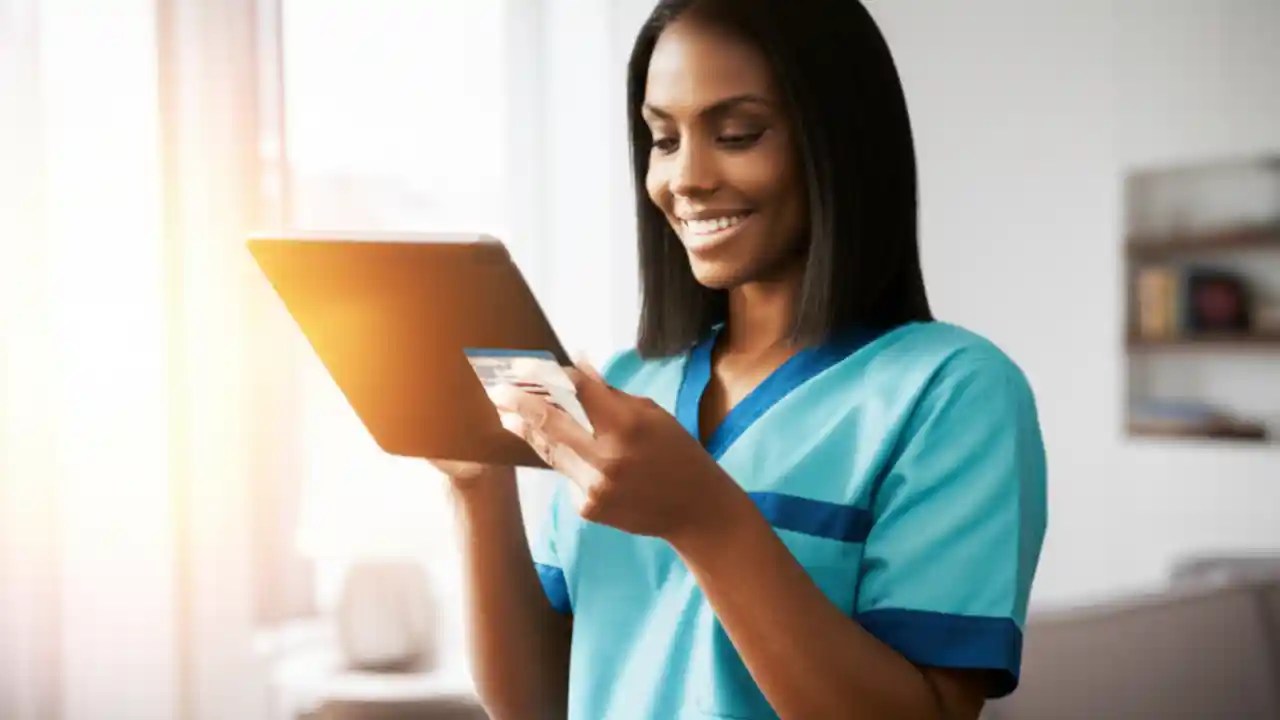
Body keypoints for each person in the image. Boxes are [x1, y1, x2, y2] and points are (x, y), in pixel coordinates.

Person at [432, 0, 1048, 718]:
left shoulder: (952, 393)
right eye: (663, 140)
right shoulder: (629, 385)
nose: (685, 179)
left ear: (839, 142)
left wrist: (706, 518)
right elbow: (538, 703)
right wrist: (477, 486)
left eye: (737, 134)